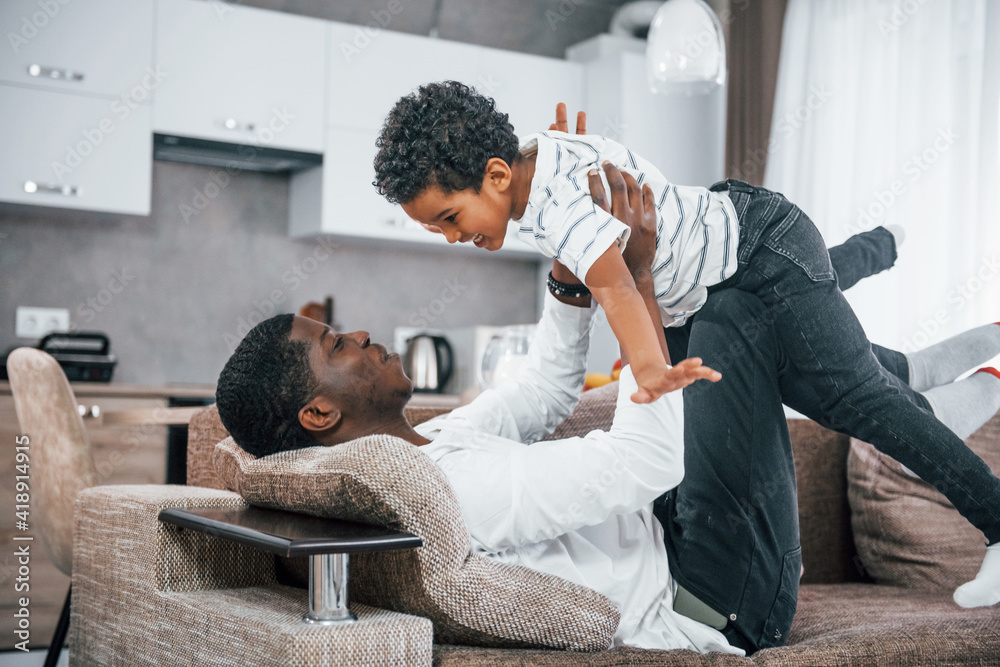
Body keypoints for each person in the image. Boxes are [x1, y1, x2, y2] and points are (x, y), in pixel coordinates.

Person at [371, 83, 1000, 610]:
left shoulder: (558, 205)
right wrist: (565, 142)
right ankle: (888, 252)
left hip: (756, 248)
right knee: (840, 370)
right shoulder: (530, 174)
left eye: (450, 218)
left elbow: (616, 284)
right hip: (719, 270)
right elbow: (564, 170)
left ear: (498, 175)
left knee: (860, 398)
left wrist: (648, 370)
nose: (451, 238)